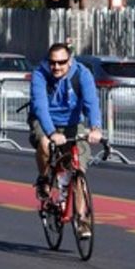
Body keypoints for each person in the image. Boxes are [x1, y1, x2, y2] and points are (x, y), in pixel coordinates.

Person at [28, 42, 102, 238]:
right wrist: (52, 133)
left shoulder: (82, 74)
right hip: (45, 121)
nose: (57, 67)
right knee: (45, 144)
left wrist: (95, 127)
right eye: (53, 62)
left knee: (78, 171)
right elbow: (40, 107)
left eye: (61, 62)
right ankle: (44, 179)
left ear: (69, 61)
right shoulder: (40, 75)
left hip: (72, 123)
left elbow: (91, 102)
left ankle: (82, 220)